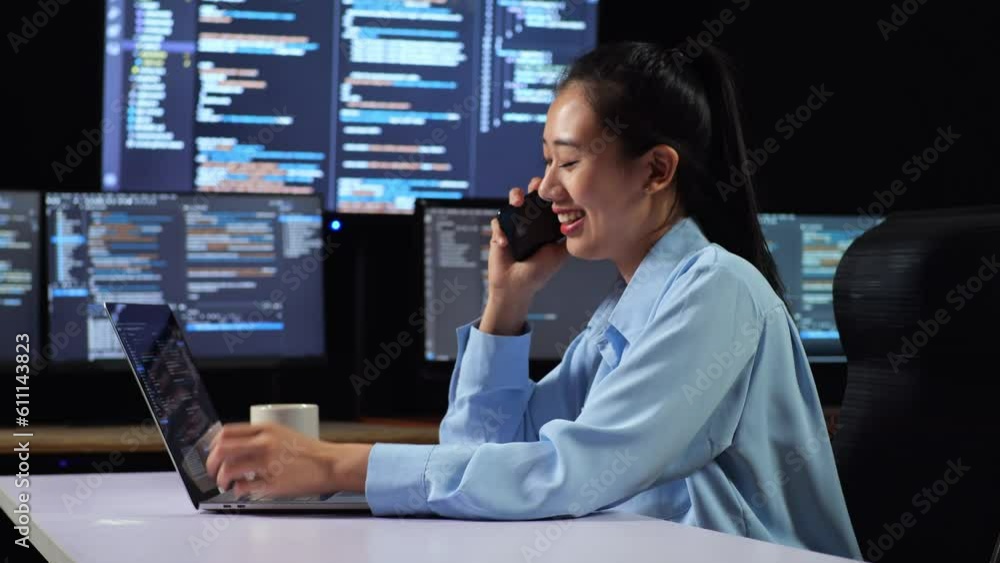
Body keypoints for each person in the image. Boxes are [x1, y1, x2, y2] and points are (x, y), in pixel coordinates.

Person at [205, 42, 863, 559]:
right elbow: (483, 455)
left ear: (657, 170)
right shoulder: (630, 306)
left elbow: (572, 472)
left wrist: (335, 463)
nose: (545, 188)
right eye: (546, 160)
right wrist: (505, 303)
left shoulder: (717, 292)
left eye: (569, 162)